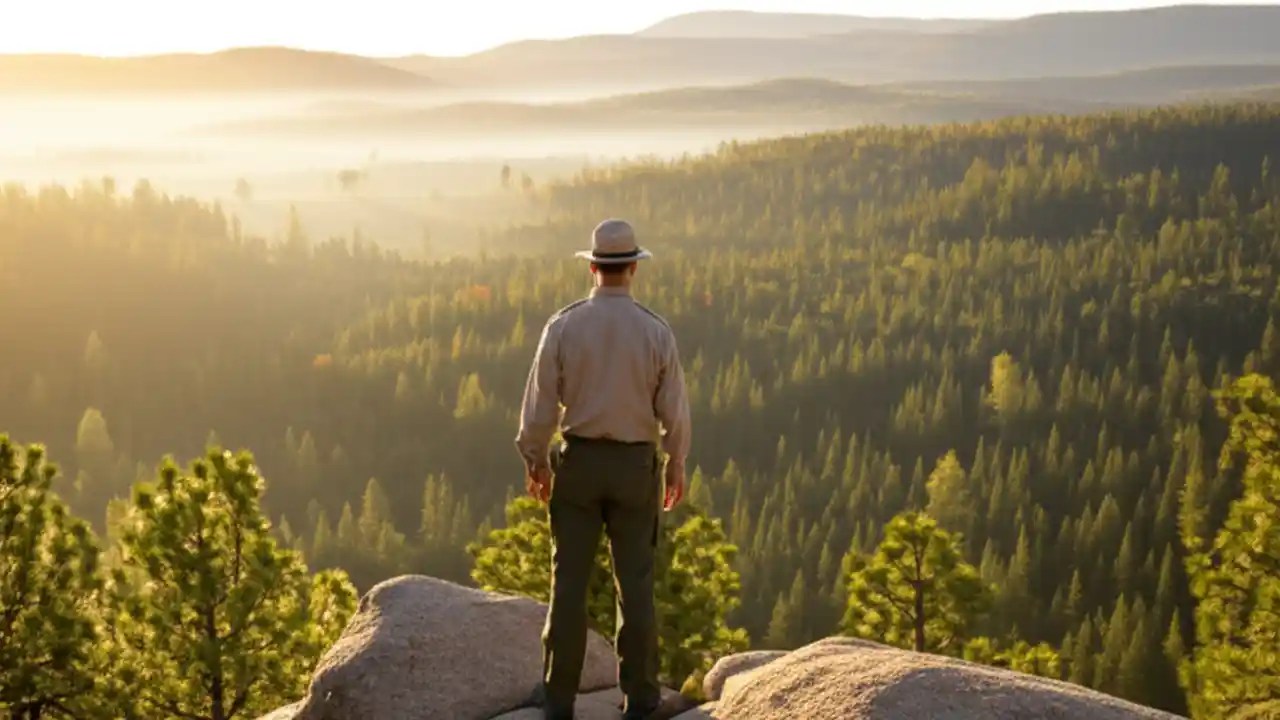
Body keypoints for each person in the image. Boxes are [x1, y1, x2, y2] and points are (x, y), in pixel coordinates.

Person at [516, 218, 691, 720]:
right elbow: (674, 411)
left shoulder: (564, 326)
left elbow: (540, 406)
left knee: (567, 583)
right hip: (637, 467)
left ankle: (558, 699)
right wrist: (676, 463)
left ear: (593, 267)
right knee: (634, 584)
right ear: (633, 268)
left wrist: (535, 460)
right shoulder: (656, 331)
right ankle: (640, 699)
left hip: (579, 464)